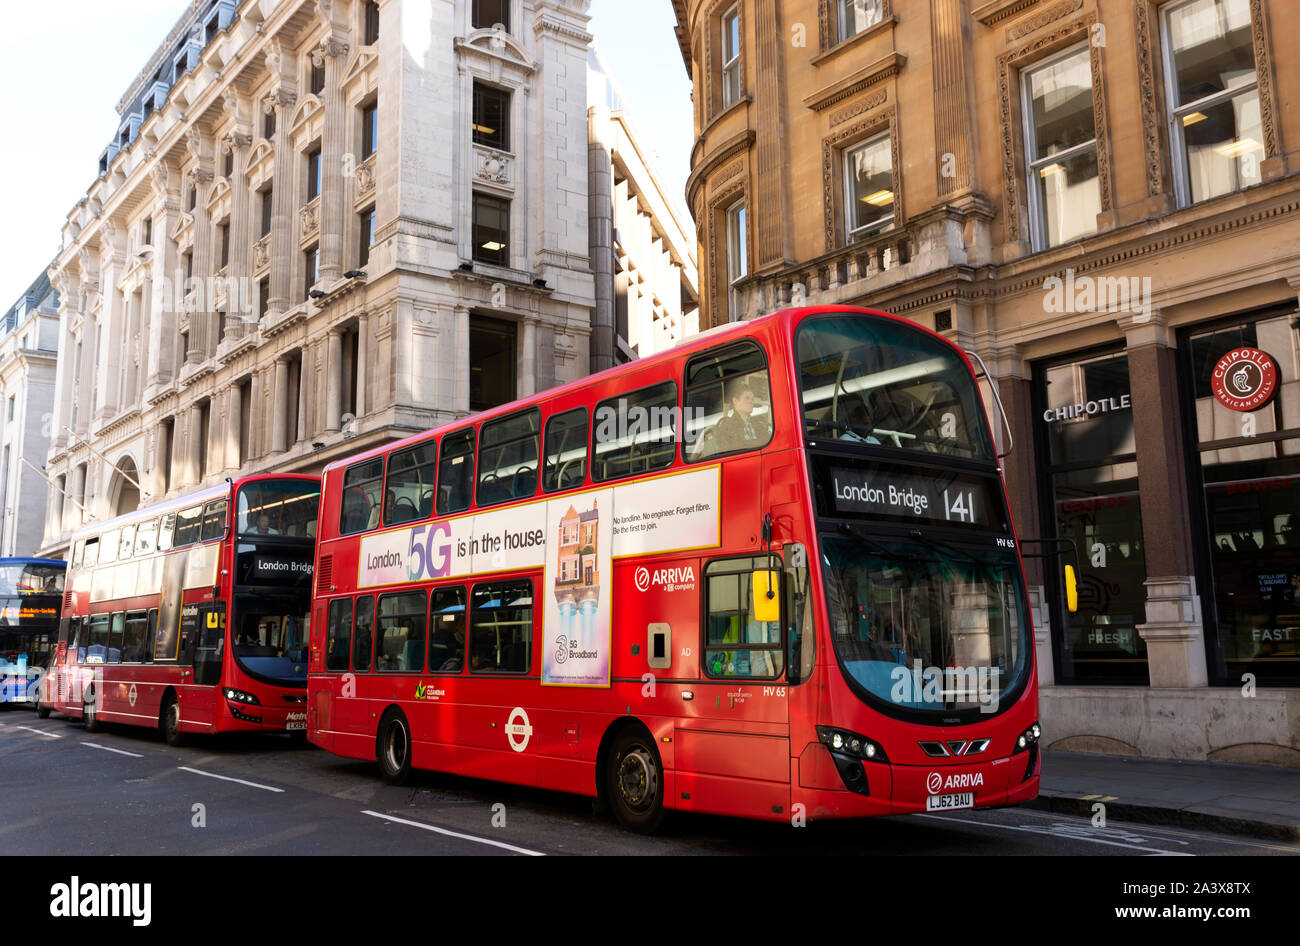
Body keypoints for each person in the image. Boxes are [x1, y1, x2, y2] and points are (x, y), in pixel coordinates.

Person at [713, 378, 772, 453]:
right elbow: (728, 452)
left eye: (752, 399)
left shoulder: (759, 424)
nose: (751, 402)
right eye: (747, 398)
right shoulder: (726, 427)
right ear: (735, 401)